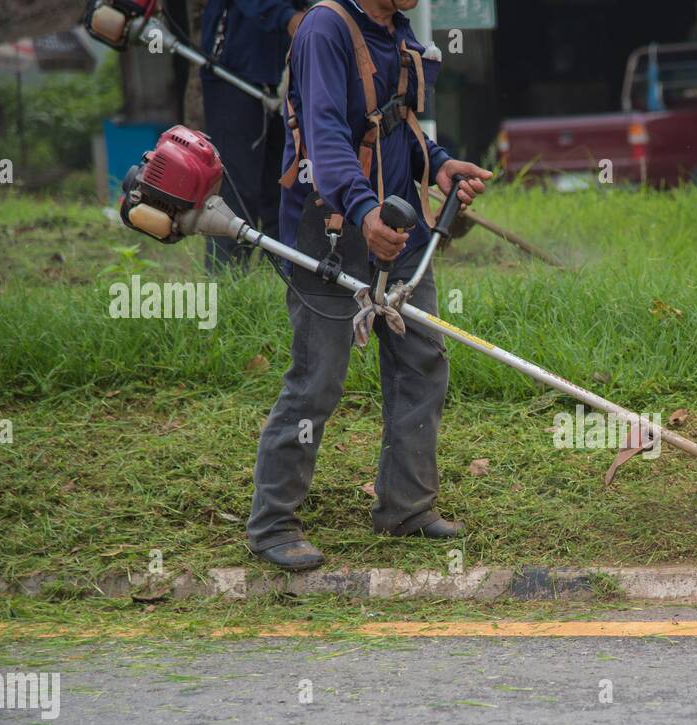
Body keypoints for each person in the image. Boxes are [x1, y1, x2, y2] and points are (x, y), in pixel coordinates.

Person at [245, 0, 491, 570]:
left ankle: (406, 507)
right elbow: (328, 136)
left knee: (420, 359)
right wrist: (364, 212)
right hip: (332, 226)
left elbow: (393, 126)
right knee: (317, 379)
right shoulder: (325, 29)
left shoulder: (397, 34)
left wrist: (441, 162)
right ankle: (273, 523)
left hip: (396, 227)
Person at [200, 0, 304, 270]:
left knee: (282, 187)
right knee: (236, 187)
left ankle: (283, 276)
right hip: (235, 69)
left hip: (280, 72)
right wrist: (287, 17)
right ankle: (227, 283)